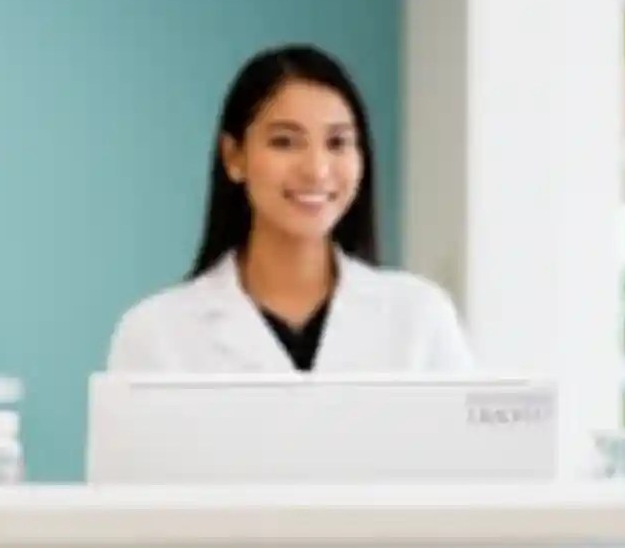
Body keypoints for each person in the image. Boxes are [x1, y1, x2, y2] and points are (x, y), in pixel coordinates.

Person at [106, 44, 473, 373]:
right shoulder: (156, 334)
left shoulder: (420, 318)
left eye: (337, 143)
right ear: (234, 156)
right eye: (285, 142)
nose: (316, 169)